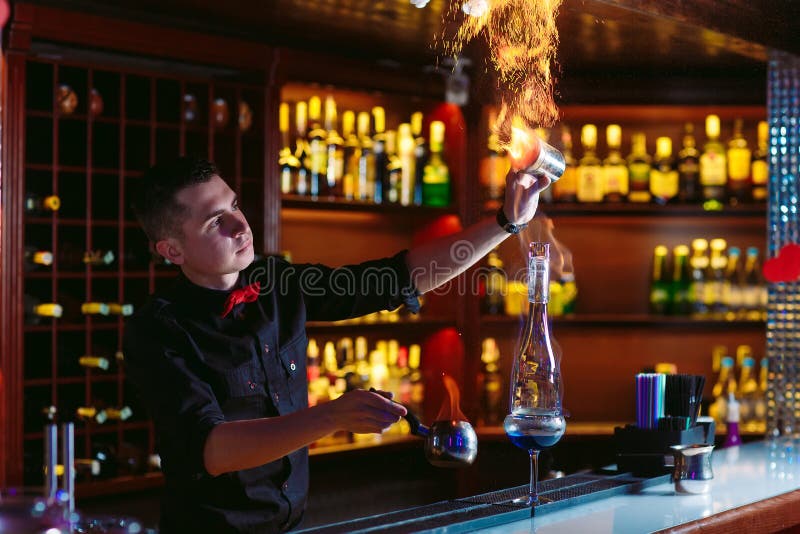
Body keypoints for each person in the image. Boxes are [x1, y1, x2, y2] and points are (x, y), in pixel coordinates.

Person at [123, 155, 548, 533]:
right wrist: (330, 416)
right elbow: (211, 448)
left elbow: (397, 278)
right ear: (171, 250)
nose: (240, 225)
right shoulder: (157, 329)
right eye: (215, 221)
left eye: (234, 205)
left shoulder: (277, 280)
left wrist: (506, 222)